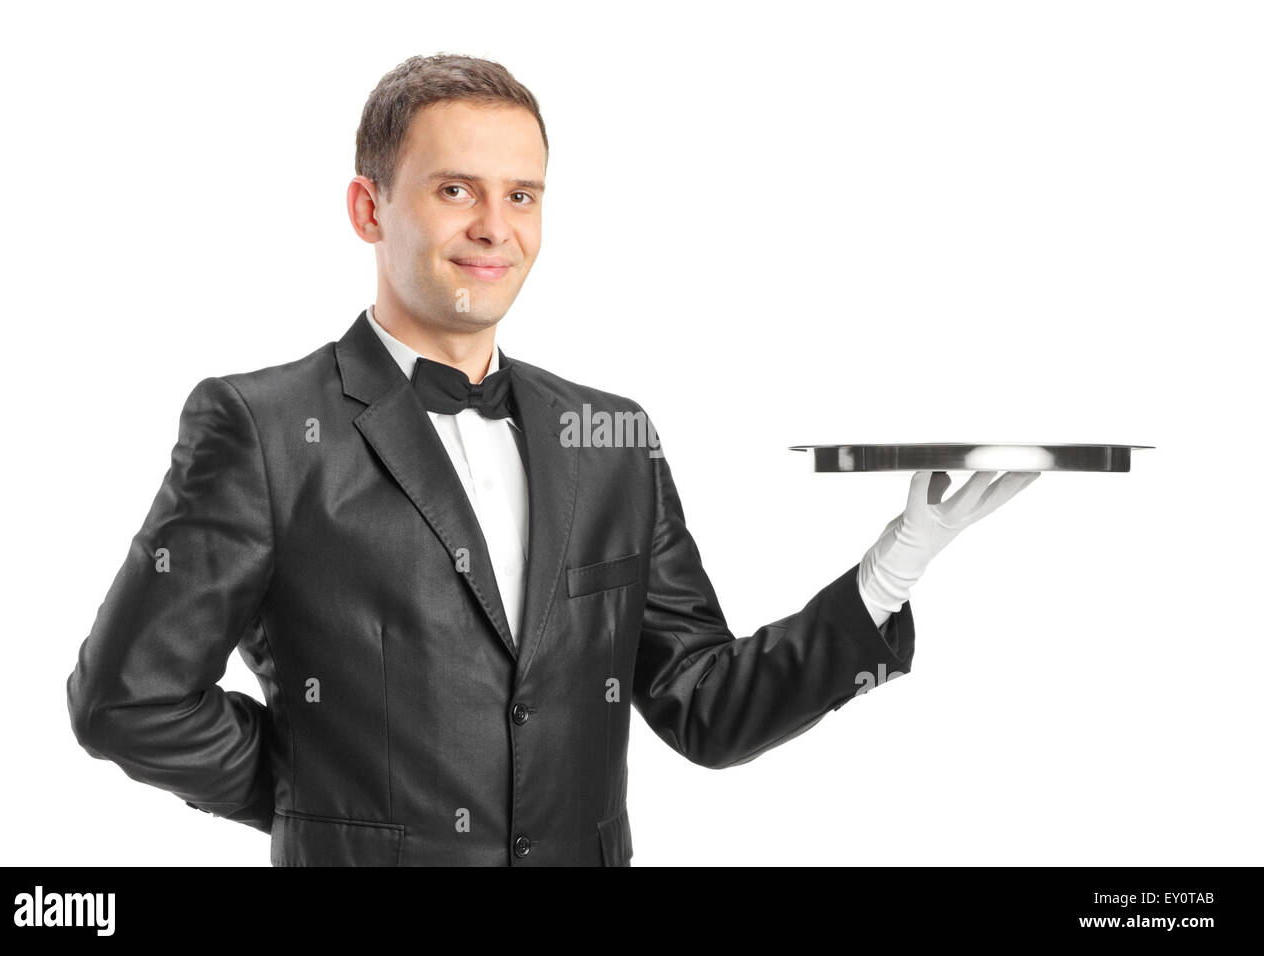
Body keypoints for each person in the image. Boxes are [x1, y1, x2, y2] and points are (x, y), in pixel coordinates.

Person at [66, 53, 1039, 866]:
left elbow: (704, 705)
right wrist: (324, 796)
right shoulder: (263, 424)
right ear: (369, 207)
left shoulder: (609, 433)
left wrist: (893, 566)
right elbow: (128, 697)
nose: (496, 227)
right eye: (456, 190)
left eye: (521, 194)